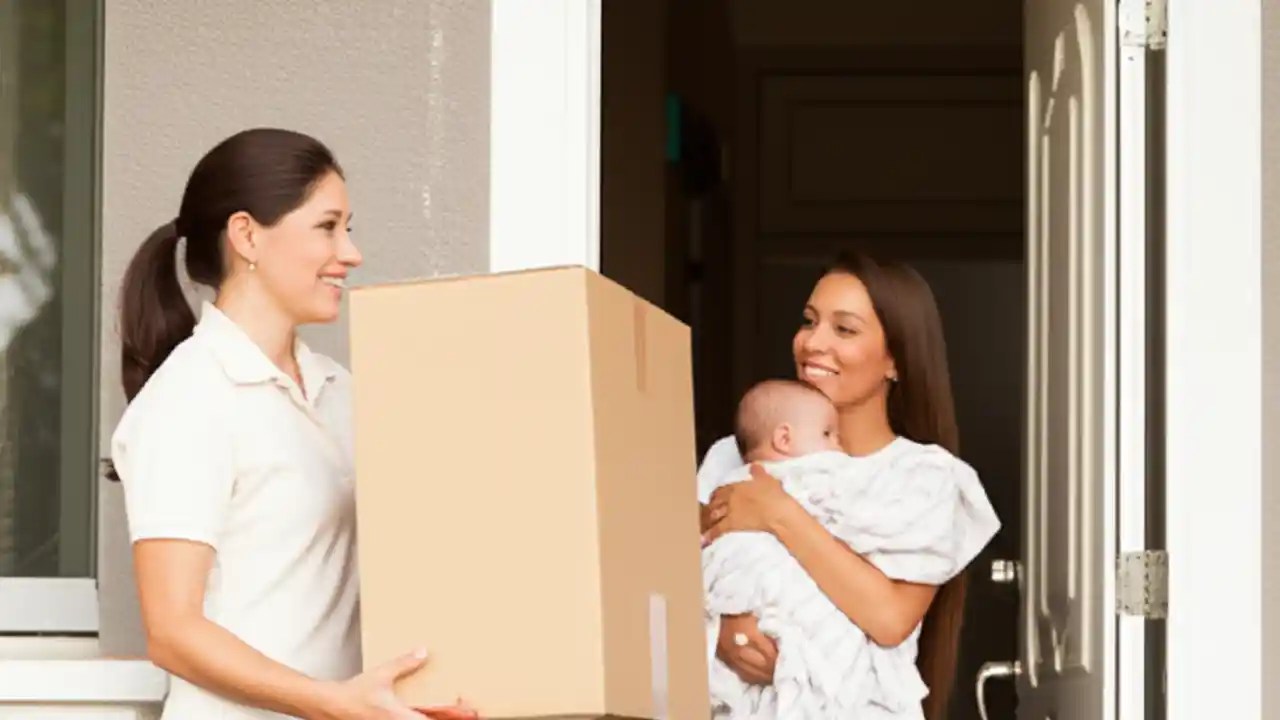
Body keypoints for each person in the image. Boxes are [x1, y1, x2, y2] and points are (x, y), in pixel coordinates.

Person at [107, 128, 476, 720]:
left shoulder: (340, 391)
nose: (351, 254)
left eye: (348, 228)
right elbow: (173, 632)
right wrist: (334, 704)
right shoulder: (190, 398)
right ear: (247, 235)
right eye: (327, 227)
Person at [699, 251, 998, 720]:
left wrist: (777, 511)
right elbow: (671, 583)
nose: (812, 342)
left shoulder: (923, 477)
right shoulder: (734, 456)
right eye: (809, 321)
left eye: (844, 329)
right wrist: (719, 632)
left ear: (895, 360)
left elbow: (889, 619)